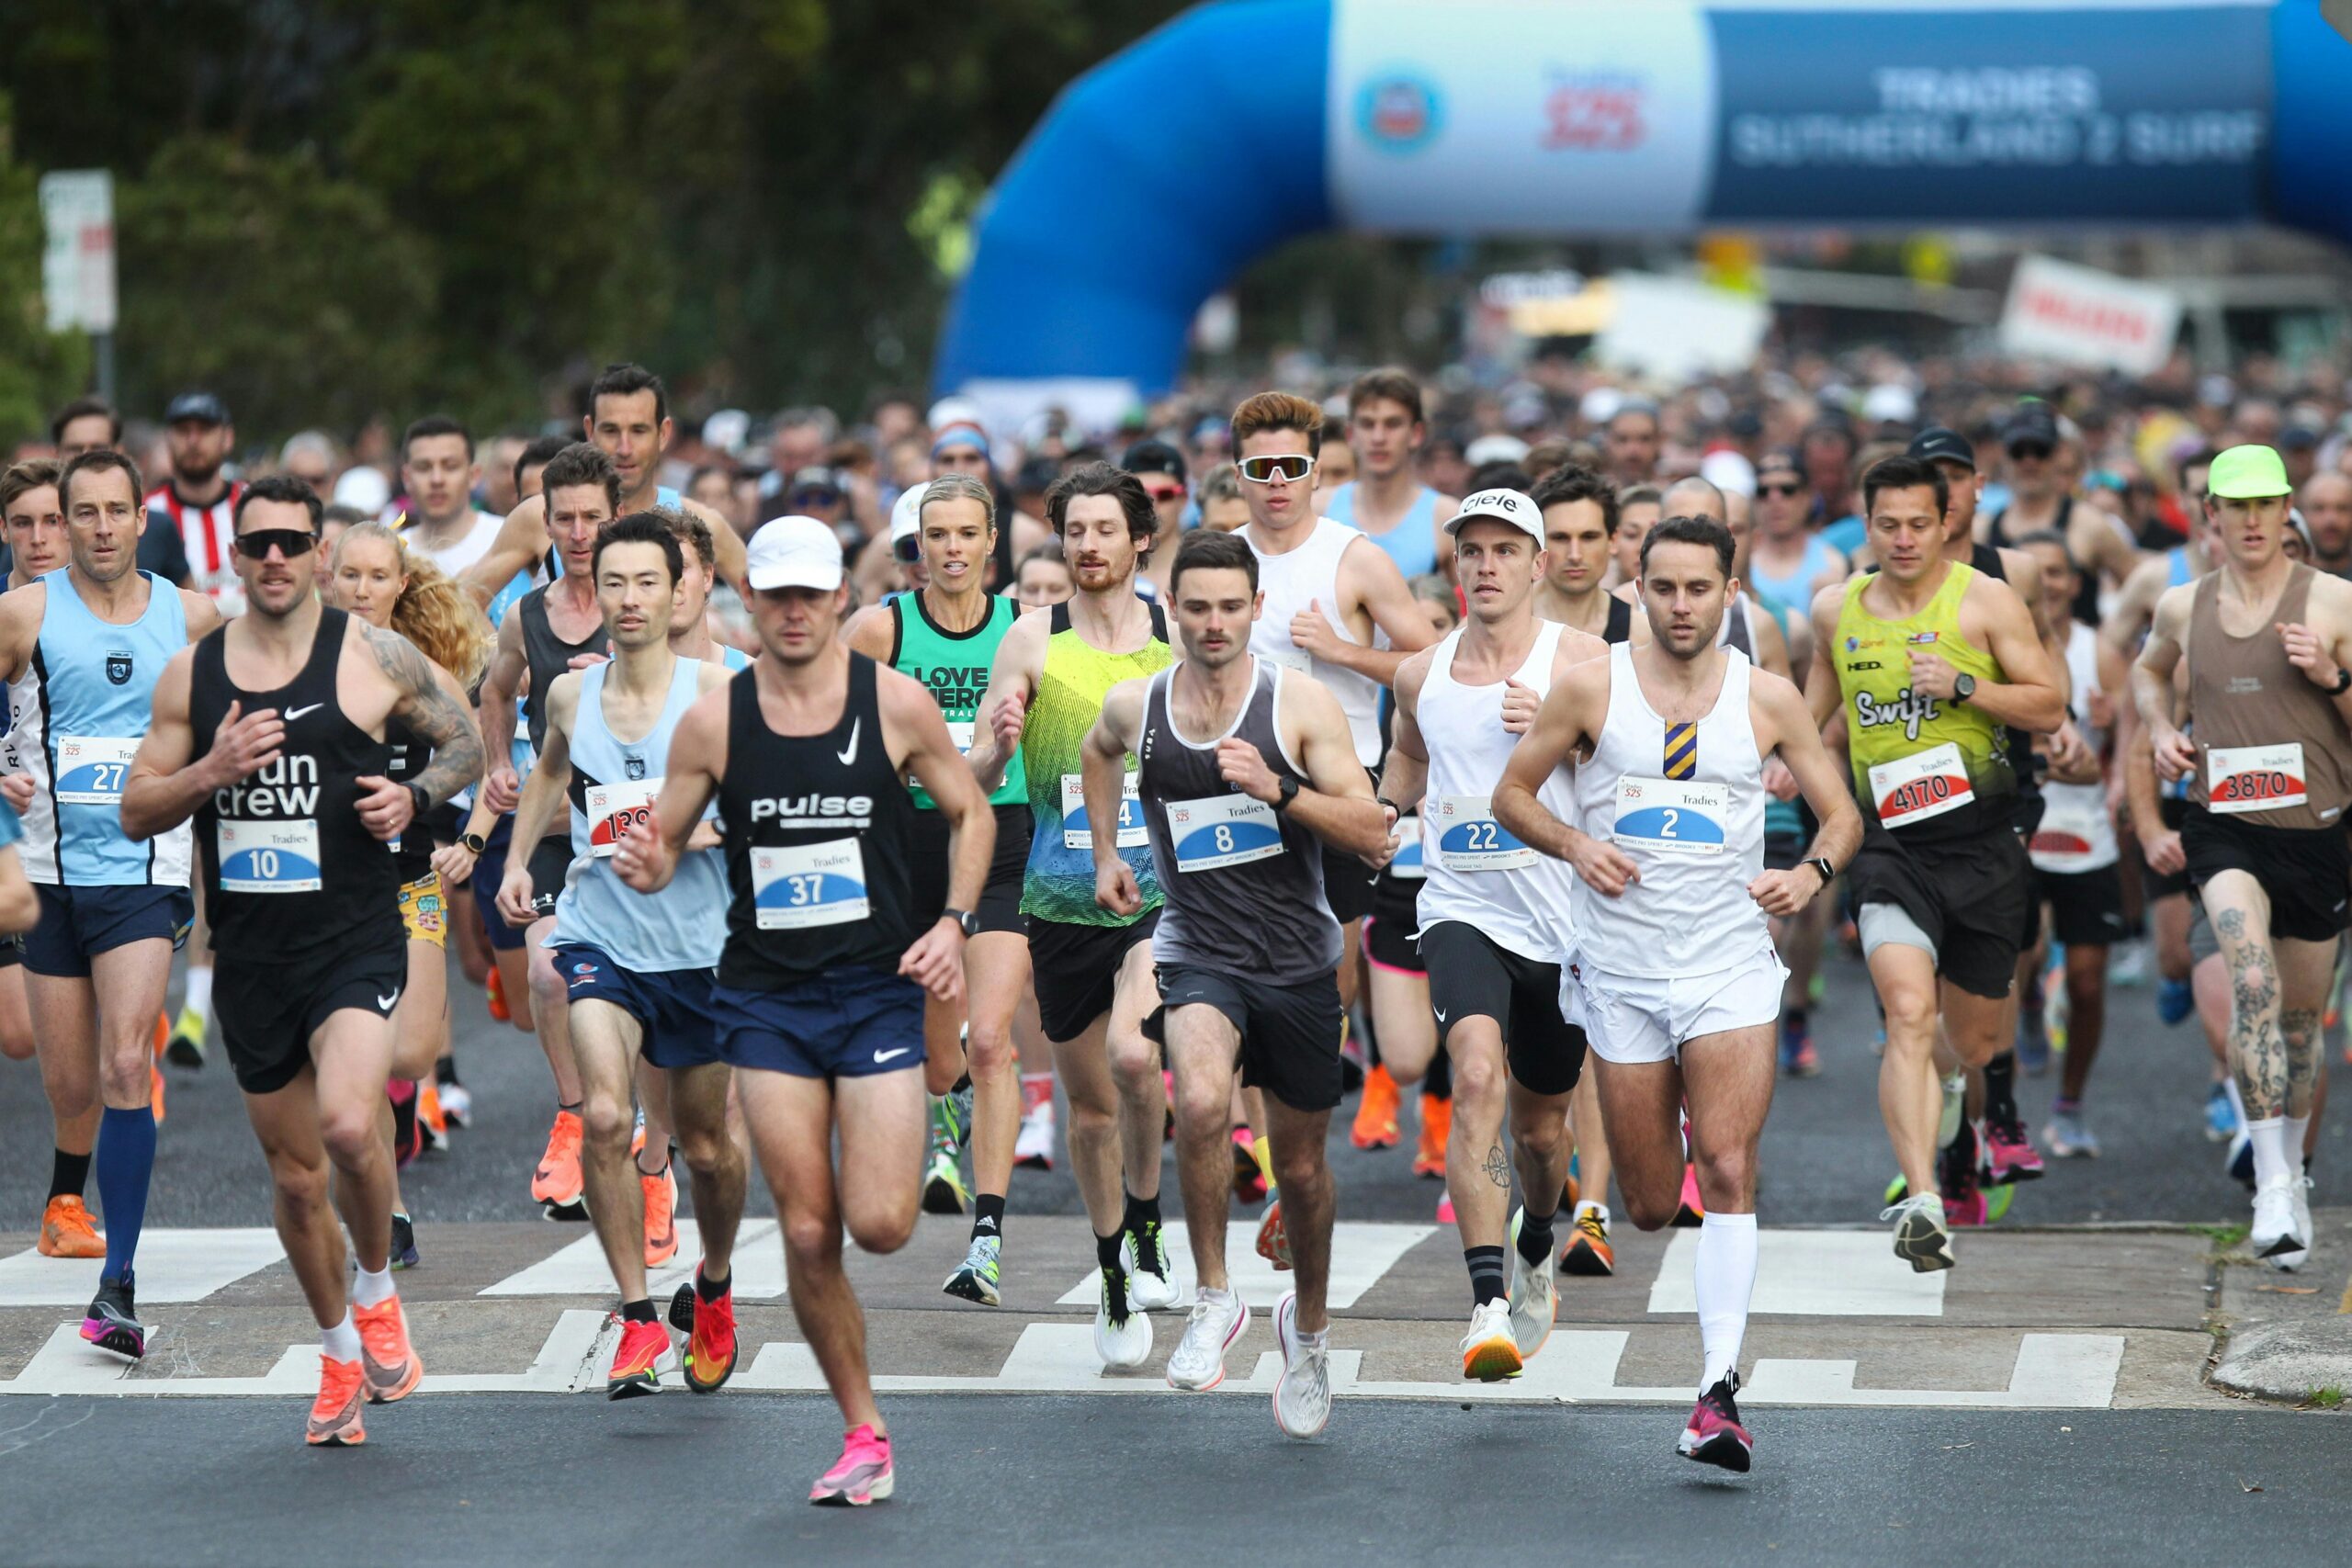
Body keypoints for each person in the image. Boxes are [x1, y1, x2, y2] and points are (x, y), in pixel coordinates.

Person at [615, 514, 989, 1504]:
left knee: (880, 1225)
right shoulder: (716, 722)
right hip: (765, 1001)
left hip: (873, 995)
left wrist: (951, 922)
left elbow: (973, 812)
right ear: (755, 603)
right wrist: (648, 864)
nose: (790, 612)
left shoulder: (894, 704)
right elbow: (664, 848)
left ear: (837, 600)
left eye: (807, 595)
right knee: (811, 1229)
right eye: (772, 596)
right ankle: (863, 1429)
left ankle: (916, 1139)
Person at [122, 473, 484, 1445]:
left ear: (318, 554)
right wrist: (211, 770)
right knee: (292, 1179)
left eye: (292, 542)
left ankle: (375, 1289)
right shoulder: (192, 677)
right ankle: (334, 1351)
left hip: (354, 934)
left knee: (350, 1126)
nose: (276, 558)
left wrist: (414, 802)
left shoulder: (373, 654)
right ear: (234, 560)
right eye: (258, 545)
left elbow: (465, 745)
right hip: (251, 953)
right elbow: (136, 806)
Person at [1498, 513, 1862, 1472]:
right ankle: (1545, 1216)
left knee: (1730, 1168)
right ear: (1639, 589)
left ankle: (1716, 1393)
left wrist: (1810, 877)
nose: (1680, 605)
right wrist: (1575, 844)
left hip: (1729, 965)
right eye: (1662, 587)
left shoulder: (1768, 697)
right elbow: (1512, 796)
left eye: (1700, 588)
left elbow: (1840, 816)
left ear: (1730, 593)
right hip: (1619, 971)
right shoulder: (1590, 686)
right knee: (1655, 1204)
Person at [1087, 527, 1392, 1432]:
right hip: (1196, 948)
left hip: (1299, 962)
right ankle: (1213, 1296)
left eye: (1230, 606)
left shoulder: (1295, 706)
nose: (1213, 623)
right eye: (1196, 607)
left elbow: (1373, 830)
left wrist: (1279, 790)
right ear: (1169, 610)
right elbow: (1099, 754)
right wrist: (1108, 851)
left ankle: (1311, 1328)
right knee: (1205, 1101)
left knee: (1299, 1171)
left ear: (1255, 610)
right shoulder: (1136, 704)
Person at [498, 513, 746, 1395]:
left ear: (683, 589)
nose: (632, 600)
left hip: (702, 950)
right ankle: (639, 1315)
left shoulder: (722, 692)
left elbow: (764, 811)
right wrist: (522, 857)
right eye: (616, 583)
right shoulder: (571, 693)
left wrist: (685, 837)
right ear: (593, 592)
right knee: (607, 1118)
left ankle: (713, 1282)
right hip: (602, 932)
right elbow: (553, 772)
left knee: (710, 1146)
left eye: (650, 582)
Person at [1806, 456, 2064, 1271]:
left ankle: (1953, 1103)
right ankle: (1922, 1197)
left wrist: (1963, 685)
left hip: (1985, 850)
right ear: (1867, 522)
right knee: (1908, 1014)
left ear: (1947, 519)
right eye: (1889, 524)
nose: (1905, 538)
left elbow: (2049, 702)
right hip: (1889, 848)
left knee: (1972, 1044)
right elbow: (1814, 716)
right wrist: (1789, 762)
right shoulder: (1834, 610)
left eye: (1920, 522)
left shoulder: (1985, 600)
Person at [0, 450, 225, 1355]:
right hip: (49, 877)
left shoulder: (193, 614)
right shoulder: (22, 615)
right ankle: (79, 1191)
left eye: (111, 511)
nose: (95, 528)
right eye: (78, 512)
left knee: (127, 1065)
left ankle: (118, 1285)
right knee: (72, 1088)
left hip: (144, 871)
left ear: (142, 519)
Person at [1381, 489, 1604, 1380]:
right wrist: (1383, 810)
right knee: (1474, 1075)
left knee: (1543, 1132)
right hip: (1461, 907)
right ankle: (1484, 1305)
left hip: (1564, 923)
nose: (1484, 565)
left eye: (1504, 550)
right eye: (1470, 550)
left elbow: (1631, 758)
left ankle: (1539, 1238)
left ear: (1537, 565)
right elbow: (1408, 755)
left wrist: (1564, 740)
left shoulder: (1583, 661)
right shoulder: (1419, 672)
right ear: (1452, 565)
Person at [962, 463, 1180, 1355]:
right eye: (1074, 531)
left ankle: (1150, 1213)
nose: (1089, 545)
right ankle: (1116, 1265)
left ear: (1139, 538)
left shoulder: (1175, 629)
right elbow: (969, 778)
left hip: (1166, 895)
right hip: (1056, 896)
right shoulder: (1029, 639)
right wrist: (997, 747)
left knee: (1136, 1057)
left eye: (1105, 529)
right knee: (1090, 1108)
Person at [2132, 445, 2352, 1270]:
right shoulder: (2185, 605)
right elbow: (2149, 674)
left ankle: (2291, 1173)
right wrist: (2160, 729)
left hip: (2316, 835)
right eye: (2236, 505)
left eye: (2266, 504)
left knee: (2300, 1024)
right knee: (2249, 978)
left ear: (2286, 509)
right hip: (2223, 828)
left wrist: (2331, 677)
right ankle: (2268, 1182)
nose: (2252, 520)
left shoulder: (2334, 601)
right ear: (2210, 515)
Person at [1232, 393, 1438, 1189]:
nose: (1277, 482)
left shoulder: (1355, 558)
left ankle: (1302, 1131)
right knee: (1238, 968)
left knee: (1326, 979)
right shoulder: (1219, 557)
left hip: (1338, 798)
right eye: (1261, 468)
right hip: (1240, 794)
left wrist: (1345, 651)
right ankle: (1264, 1151)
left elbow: (1431, 667)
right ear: (1240, 473)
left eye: (1293, 467)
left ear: (1319, 471)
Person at [842, 475, 1035, 1299]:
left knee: (990, 1039)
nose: (952, 548)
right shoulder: (880, 628)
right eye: (937, 534)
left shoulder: (1025, 631)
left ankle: (986, 1236)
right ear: (917, 544)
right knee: (935, 1056)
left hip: (999, 835)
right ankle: (945, 1101)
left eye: (968, 532)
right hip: (904, 848)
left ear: (993, 542)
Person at [454, 444, 622, 1220]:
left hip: (642, 822)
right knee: (549, 975)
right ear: (543, 524)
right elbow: (493, 689)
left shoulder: (649, 602)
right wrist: (496, 762)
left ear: (616, 517)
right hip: (558, 818)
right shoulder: (528, 614)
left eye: (593, 516)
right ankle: (574, 1113)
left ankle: (641, 1137)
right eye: (565, 518)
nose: (580, 532)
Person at [327, 523, 493, 1269]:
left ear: (401, 584)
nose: (362, 589)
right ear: (328, 579)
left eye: (376, 576)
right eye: (349, 575)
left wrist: (438, 813)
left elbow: (477, 754)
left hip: (411, 882)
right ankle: (384, 1202)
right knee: (352, 1058)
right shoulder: (304, 671)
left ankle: (391, 1121)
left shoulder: (421, 671)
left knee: (415, 1049)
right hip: (327, 896)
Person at [0, 460, 96, 1253]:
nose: (40, 537)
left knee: (25, 1034)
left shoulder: (100, 615)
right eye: (23, 522)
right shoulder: (6, 617)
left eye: (52, 521)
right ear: (4, 529)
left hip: (42, 859)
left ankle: (67, 1197)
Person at [2014, 531, 2132, 1157]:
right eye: (2037, 575)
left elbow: (2133, 738)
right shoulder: (2000, 648)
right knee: (2018, 959)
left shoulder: (2100, 652)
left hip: (2086, 832)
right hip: (2018, 831)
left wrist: (2112, 748)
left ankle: (2070, 1104)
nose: (2049, 585)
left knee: (2087, 984)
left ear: (2075, 582)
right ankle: (2029, 1005)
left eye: (2058, 573)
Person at [459, 364, 746, 607]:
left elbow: (768, 604)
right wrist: (508, 658)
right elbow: (462, 607)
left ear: (663, 434)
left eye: (638, 430)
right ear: (589, 431)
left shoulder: (700, 523)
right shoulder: (538, 515)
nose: (624, 448)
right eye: (610, 430)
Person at [1317, 368, 1460, 581]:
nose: (1378, 437)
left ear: (1416, 434)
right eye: (1367, 424)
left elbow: (1466, 611)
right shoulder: (1318, 510)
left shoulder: (1447, 518)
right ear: (1350, 435)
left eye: (1392, 424)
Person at [145, 391, 240, 605]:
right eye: (182, 431)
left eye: (205, 430)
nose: (193, 441)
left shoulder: (254, 505)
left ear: (228, 438)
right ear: (167, 439)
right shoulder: (147, 513)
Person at [1529, 463, 1639, 643]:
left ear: (1613, 540)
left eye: (1589, 537)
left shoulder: (1642, 634)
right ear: (1537, 543)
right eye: (1560, 538)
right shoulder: (1497, 626)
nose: (1575, 555)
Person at [391, 416, 504, 578]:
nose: (437, 479)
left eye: (451, 467)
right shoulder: (392, 552)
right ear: (406, 478)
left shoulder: (504, 538)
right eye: (423, 468)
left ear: (474, 475)